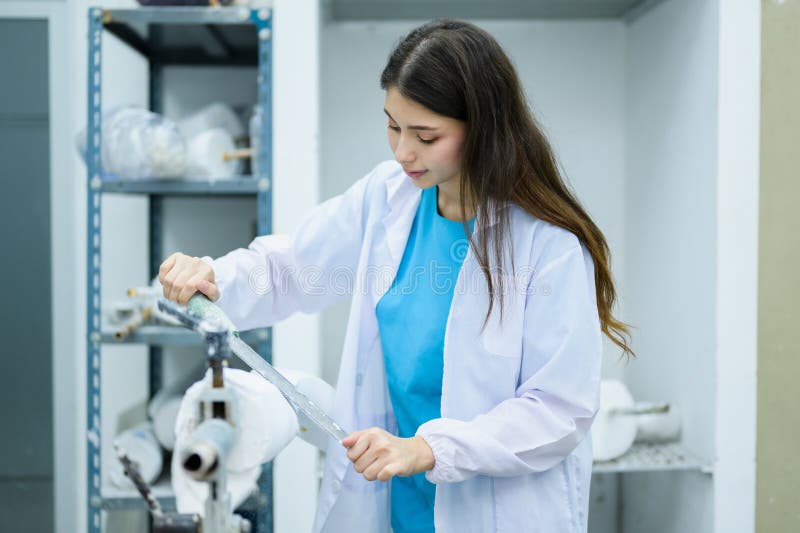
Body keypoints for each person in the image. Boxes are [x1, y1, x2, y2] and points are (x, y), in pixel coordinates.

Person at [159, 19, 632, 533]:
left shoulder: (548, 247)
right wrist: (216, 276)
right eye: (393, 126)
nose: (402, 151)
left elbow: (558, 410)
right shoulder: (388, 196)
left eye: (426, 136)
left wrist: (430, 449)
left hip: (497, 513)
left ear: (483, 129)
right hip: (396, 506)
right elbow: (293, 267)